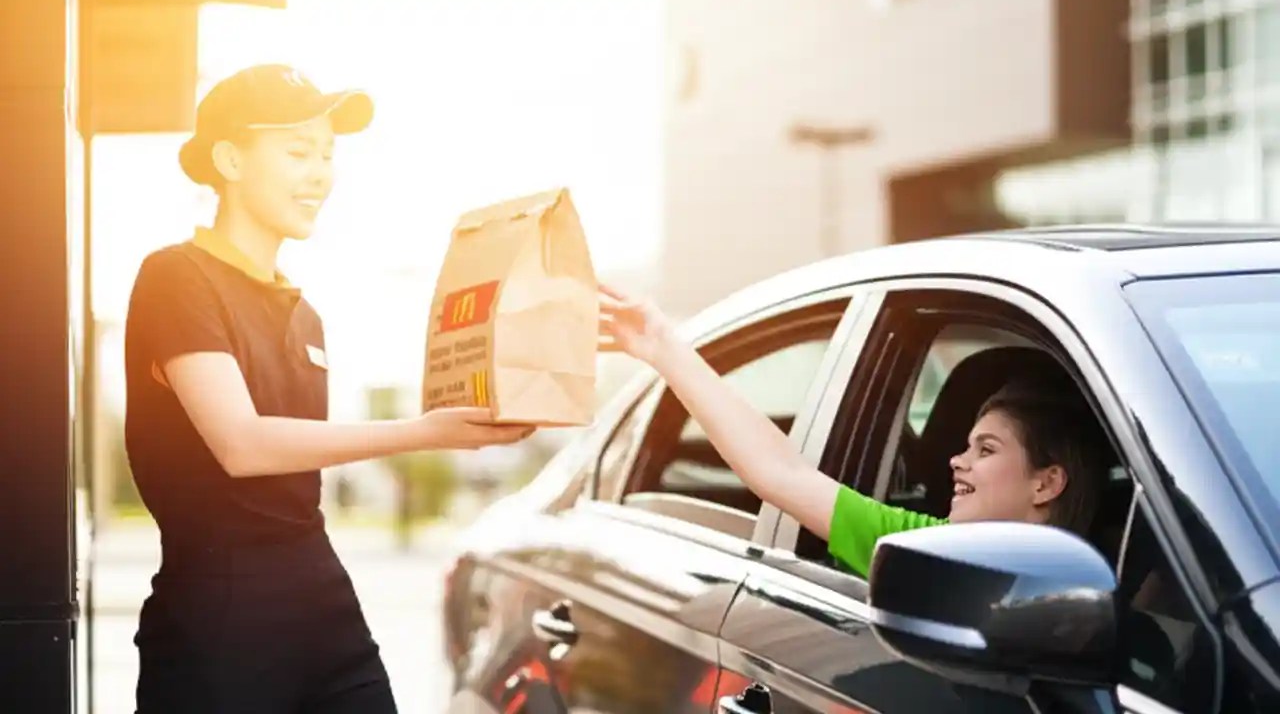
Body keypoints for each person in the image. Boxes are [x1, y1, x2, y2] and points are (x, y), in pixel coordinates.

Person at [124, 64, 533, 713]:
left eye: (327, 154)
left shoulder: (304, 314)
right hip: (219, 622)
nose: (320, 172)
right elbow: (242, 445)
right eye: (297, 151)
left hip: (323, 604)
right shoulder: (177, 277)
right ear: (230, 158)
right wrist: (426, 431)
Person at [598, 284, 1110, 577]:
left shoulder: (1115, 598)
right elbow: (779, 472)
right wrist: (665, 347)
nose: (957, 461)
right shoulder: (922, 547)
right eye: (967, 445)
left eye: (986, 449)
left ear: (1046, 482)